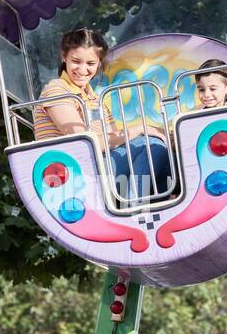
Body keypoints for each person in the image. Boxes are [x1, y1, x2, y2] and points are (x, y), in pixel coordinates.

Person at [32, 28, 174, 204]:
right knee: (153, 145)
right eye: (76, 61)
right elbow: (86, 141)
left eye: (90, 63)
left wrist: (155, 132)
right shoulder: (57, 90)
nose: (83, 69)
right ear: (64, 57)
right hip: (73, 170)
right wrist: (139, 129)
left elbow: (114, 140)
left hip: (98, 163)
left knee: (163, 149)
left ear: (99, 63)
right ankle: (133, 207)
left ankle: (156, 205)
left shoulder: (94, 98)